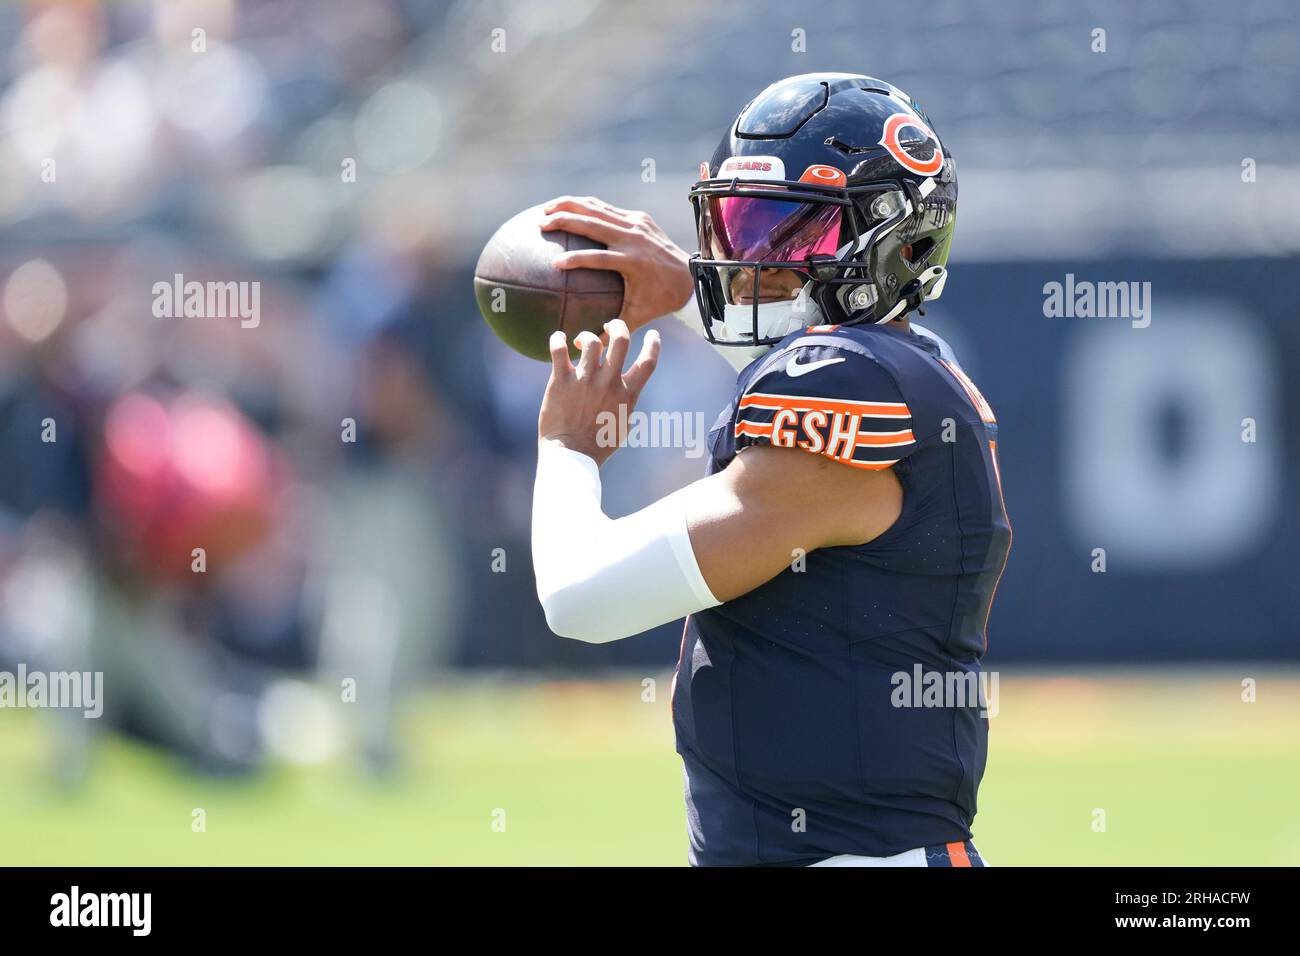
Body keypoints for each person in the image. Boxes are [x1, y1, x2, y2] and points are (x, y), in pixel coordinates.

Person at [530, 74, 1010, 866]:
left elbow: (580, 598)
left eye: (793, 235)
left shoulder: (847, 386)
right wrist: (686, 288)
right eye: (737, 226)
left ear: (899, 239)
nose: (752, 263)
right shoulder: (903, 367)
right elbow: (789, 332)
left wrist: (566, 449)